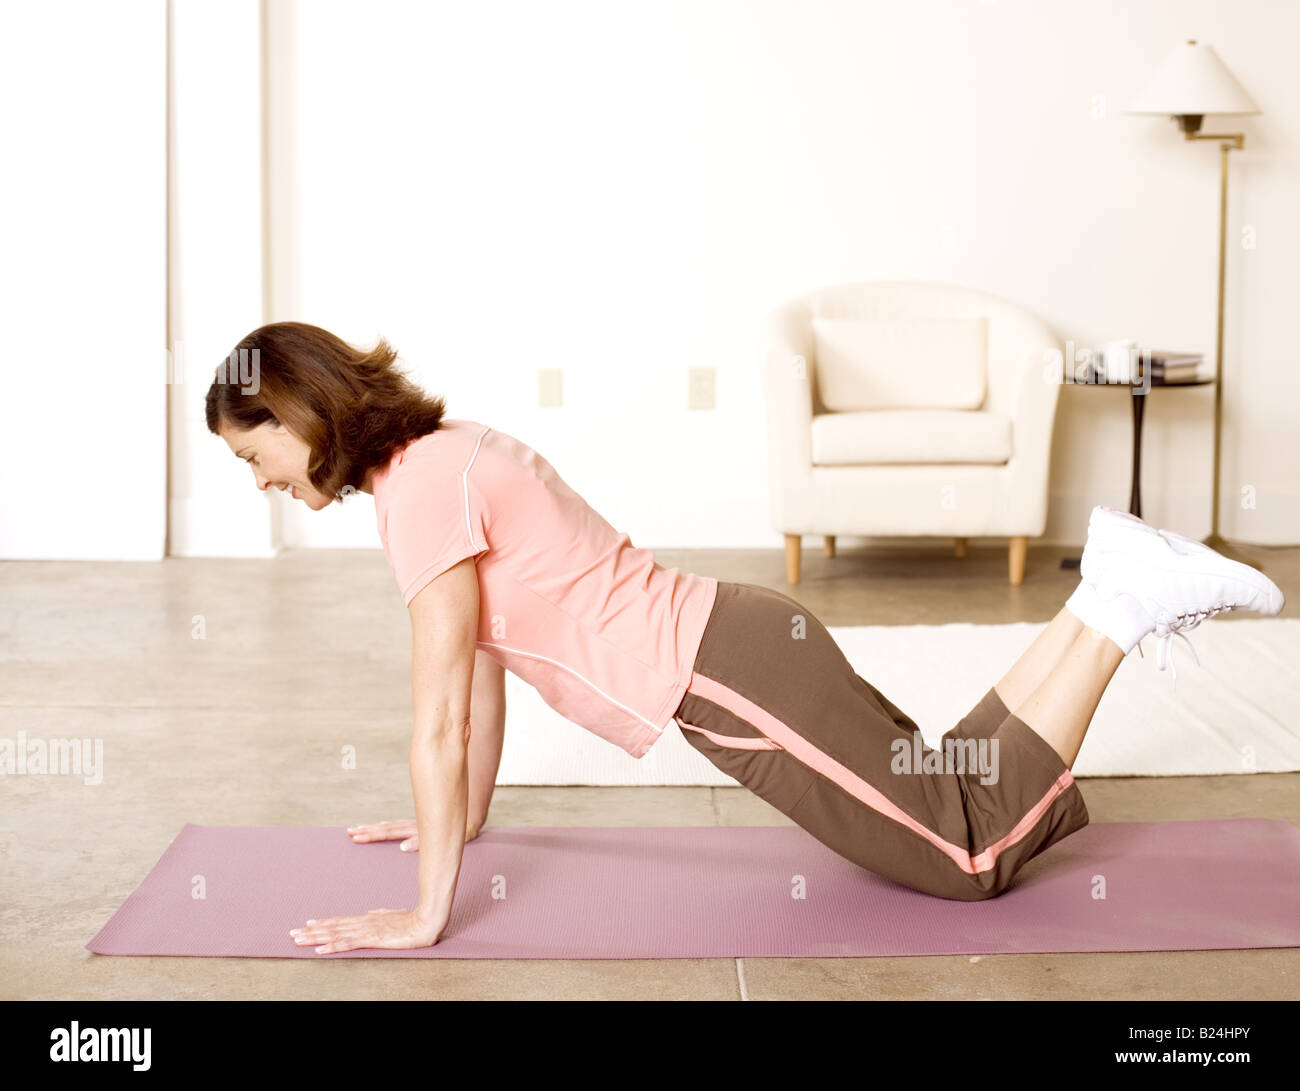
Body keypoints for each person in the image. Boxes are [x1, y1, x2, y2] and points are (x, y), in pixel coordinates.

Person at [206, 321, 1285, 954]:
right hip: (746, 640)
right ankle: (1108, 584)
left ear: (299, 413)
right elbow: (478, 680)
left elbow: (435, 712)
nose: (259, 481)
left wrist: (426, 909)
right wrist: (467, 820)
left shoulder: (419, 492)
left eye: (253, 455)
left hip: (727, 675)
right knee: (952, 778)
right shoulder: (441, 457)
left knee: (968, 855)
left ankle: (1119, 604)